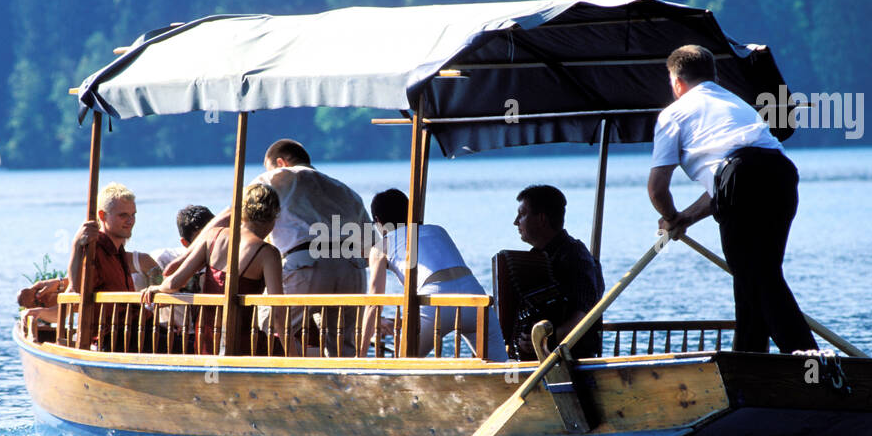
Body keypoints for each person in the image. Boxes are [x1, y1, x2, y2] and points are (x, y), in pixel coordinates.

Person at [647, 44, 816, 353]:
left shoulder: (674, 114)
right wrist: (685, 218)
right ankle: (750, 361)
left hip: (742, 179)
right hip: (781, 174)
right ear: (716, 77)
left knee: (758, 277)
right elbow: (725, 182)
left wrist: (669, 217)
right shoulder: (736, 103)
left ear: (677, 82)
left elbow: (657, 189)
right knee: (753, 277)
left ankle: (810, 362)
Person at [172, 139, 370, 356]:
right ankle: (340, 377)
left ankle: (292, 371)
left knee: (269, 325)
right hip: (353, 267)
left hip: (307, 261)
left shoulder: (276, 177)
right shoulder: (346, 191)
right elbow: (371, 249)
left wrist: (186, 257)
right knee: (342, 344)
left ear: (280, 162)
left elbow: (229, 215)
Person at [360, 189, 507, 360]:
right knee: (501, 366)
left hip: (435, 300)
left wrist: (360, 356)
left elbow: (374, 302)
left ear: (378, 221)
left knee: (402, 368)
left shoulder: (381, 247)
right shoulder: (438, 230)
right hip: (475, 296)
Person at [146, 183, 291, 356]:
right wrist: (294, 358)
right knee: (287, 349)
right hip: (240, 341)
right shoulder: (268, 254)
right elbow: (278, 313)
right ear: (273, 216)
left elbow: (174, 282)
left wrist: (157, 288)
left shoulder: (213, 235)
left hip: (207, 338)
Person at [22, 182, 139, 341]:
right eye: (123, 215)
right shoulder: (94, 250)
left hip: (133, 329)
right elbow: (76, 292)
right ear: (103, 216)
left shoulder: (118, 251)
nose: (130, 221)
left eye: (133, 215)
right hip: (116, 337)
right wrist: (76, 245)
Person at [514, 184, 606, 358]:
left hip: (571, 361)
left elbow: (583, 318)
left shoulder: (576, 257)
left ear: (542, 219)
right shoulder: (536, 258)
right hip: (539, 361)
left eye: (522, 214)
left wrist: (542, 342)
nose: (516, 222)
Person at [132, 204, 215, 291]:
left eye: (214, 238)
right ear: (185, 243)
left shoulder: (222, 260)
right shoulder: (164, 261)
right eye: (201, 243)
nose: (210, 245)